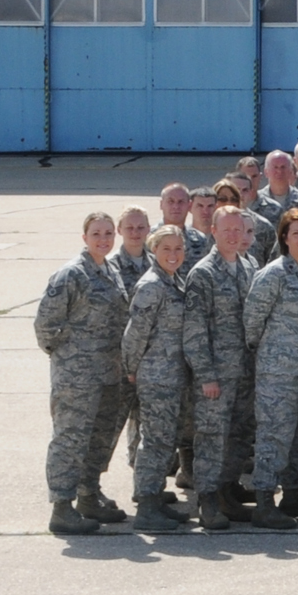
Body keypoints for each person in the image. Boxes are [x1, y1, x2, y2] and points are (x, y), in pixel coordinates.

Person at [34, 211, 129, 535]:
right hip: (77, 377)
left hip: (108, 372)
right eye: (96, 233)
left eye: (107, 233)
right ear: (84, 237)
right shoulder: (72, 274)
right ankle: (62, 506)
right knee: (70, 439)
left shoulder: (110, 269)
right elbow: (45, 325)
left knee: (99, 437)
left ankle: (88, 494)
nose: (103, 239)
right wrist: (68, 356)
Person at [243, 209, 298, 528]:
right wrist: (268, 355)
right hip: (278, 373)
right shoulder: (274, 274)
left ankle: (294, 495)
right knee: (274, 436)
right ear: (283, 238)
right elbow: (253, 320)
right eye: (295, 233)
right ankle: (264, 501)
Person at [183, 204, 257, 531]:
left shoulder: (249, 267)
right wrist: (206, 375)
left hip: (245, 371)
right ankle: (208, 499)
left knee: (239, 435)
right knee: (212, 437)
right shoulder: (203, 273)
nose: (232, 235)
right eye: (225, 229)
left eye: (237, 229)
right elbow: (195, 330)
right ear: (213, 231)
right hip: (217, 375)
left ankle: (227, 490)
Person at [120, 222, 192, 532]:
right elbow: (135, 334)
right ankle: (146, 504)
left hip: (172, 375)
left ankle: (154, 496)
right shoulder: (151, 285)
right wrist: (132, 369)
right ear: (154, 250)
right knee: (154, 440)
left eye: (178, 249)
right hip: (156, 375)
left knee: (165, 439)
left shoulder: (173, 281)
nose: (173, 254)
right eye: (166, 249)